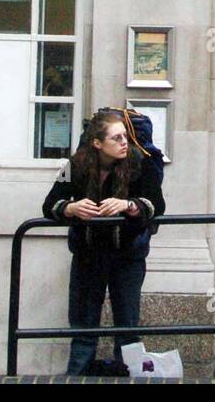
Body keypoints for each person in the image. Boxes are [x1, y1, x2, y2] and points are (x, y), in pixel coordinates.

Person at [43, 110, 165, 376]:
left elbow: (157, 204)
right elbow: (49, 203)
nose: (124, 142)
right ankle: (77, 377)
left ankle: (130, 376)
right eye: (116, 138)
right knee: (84, 328)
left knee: (127, 328)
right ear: (97, 143)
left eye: (125, 136)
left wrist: (130, 205)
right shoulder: (73, 165)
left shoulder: (141, 163)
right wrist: (70, 208)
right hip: (88, 255)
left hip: (127, 255)